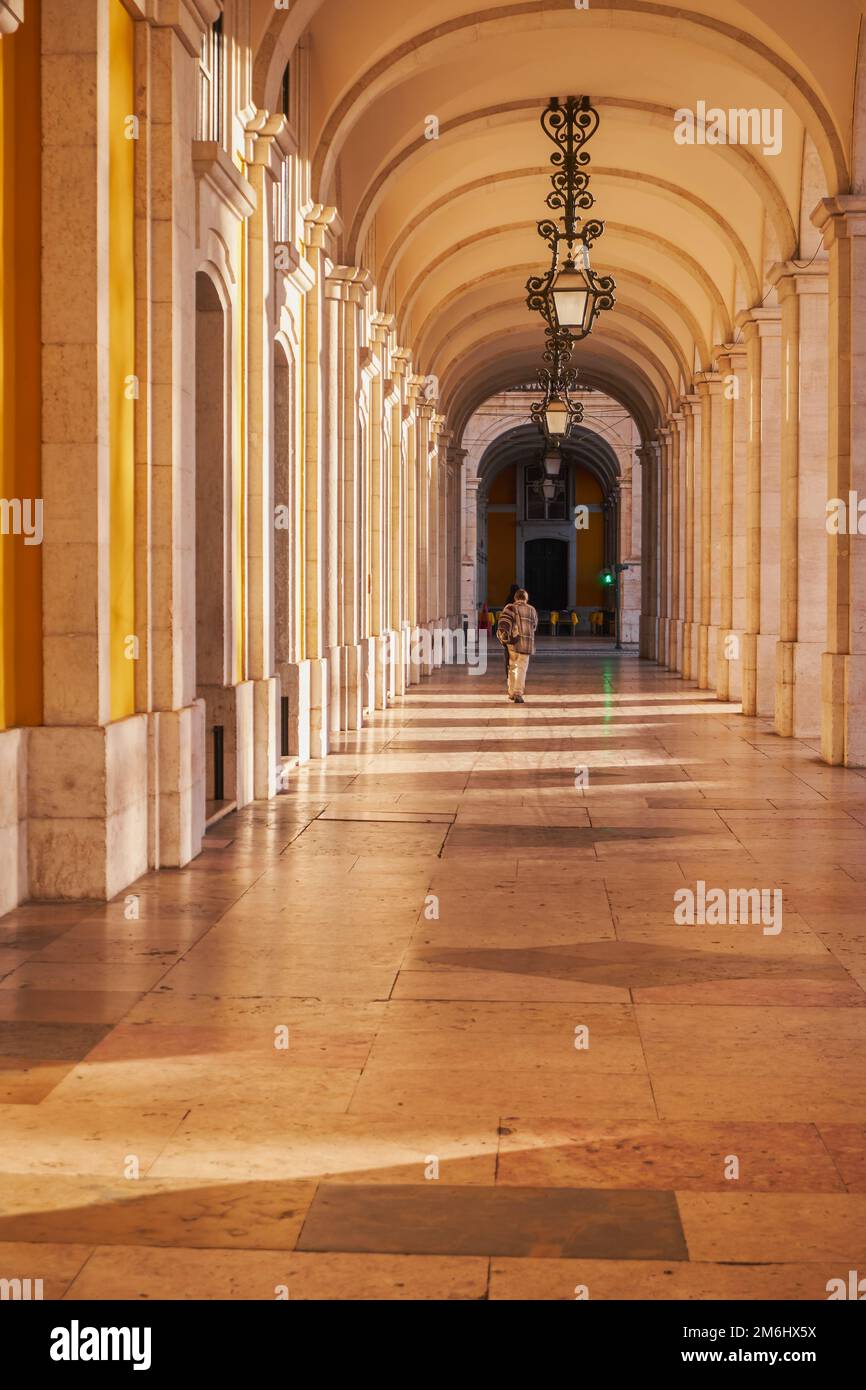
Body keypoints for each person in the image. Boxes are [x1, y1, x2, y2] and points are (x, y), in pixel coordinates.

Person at [496, 587, 538, 703]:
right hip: (526, 644)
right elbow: (534, 626)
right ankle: (518, 693)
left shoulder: (510, 607)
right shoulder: (532, 610)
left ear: (515, 598)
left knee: (512, 666)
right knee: (521, 668)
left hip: (513, 643)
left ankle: (511, 692)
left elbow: (503, 624)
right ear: (526, 599)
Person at [501, 583, 519, 682]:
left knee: (507, 656)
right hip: (517, 635)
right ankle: (516, 676)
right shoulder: (521, 606)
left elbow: (503, 620)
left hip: (507, 635)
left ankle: (508, 675)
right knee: (518, 658)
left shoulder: (507, 603)